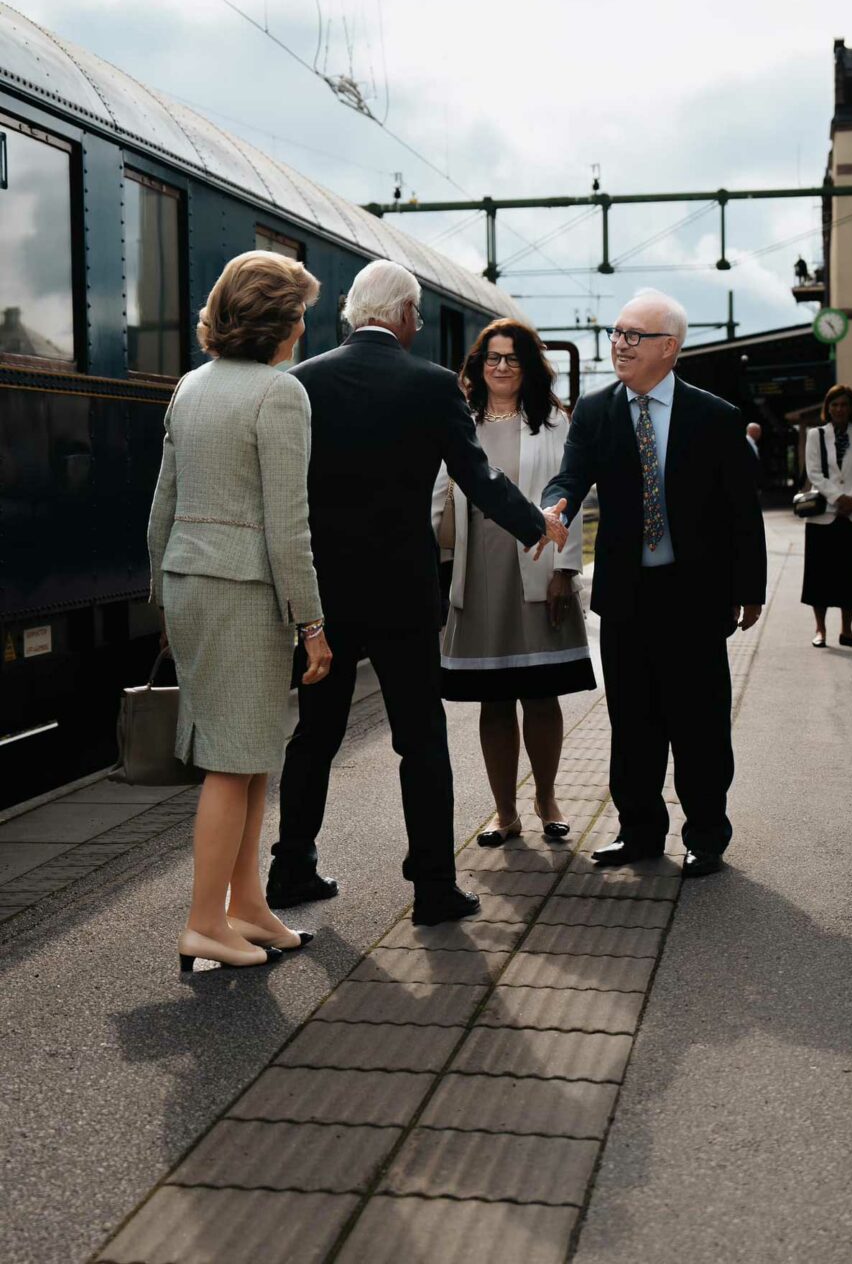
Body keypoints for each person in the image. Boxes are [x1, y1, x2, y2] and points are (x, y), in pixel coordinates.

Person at [266, 260, 567, 926]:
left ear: (353, 313)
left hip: (326, 595)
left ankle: (290, 868)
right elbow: (478, 476)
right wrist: (533, 525)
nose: (418, 326)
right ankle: (432, 886)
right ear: (402, 314)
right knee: (420, 740)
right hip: (402, 594)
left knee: (314, 736)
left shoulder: (301, 383)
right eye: (419, 317)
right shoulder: (431, 384)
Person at [148, 251, 332, 972]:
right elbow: (289, 525)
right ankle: (202, 922)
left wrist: (164, 596)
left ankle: (247, 908)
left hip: (195, 584)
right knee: (234, 763)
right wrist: (312, 623)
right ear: (278, 322)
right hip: (247, 594)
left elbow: (162, 502)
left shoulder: (191, 387)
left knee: (251, 754)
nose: (304, 329)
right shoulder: (279, 394)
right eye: (300, 316)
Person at [541, 288, 766, 879]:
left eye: (632, 335)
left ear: (669, 348)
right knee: (633, 722)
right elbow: (571, 474)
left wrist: (751, 589)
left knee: (700, 723)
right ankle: (640, 833)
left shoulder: (715, 418)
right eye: (616, 333)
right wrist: (555, 507)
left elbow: (743, 511)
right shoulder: (595, 411)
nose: (618, 343)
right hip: (626, 597)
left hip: (695, 596)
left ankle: (707, 836)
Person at [432, 319, 596, 847]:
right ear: (479, 367)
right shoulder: (460, 421)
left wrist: (563, 573)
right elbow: (438, 496)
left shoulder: (555, 424)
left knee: (541, 694)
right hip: (478, 571)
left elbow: (571, 502)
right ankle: (504, 812)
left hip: (537, 567)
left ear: (529, 367)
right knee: (493, 700)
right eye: (492, 358)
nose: (501, 367)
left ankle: (546, 798)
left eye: (512, 359)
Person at [801, 384, 852, 649]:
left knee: (851, 574)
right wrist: (837, 498)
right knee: (819, 574)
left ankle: (847, 630)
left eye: (844, 405)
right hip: (824, 516)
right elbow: (814, 473)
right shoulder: (816, 435)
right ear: (827, 408)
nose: (839, 409)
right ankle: (820, 629)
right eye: (835, 405)